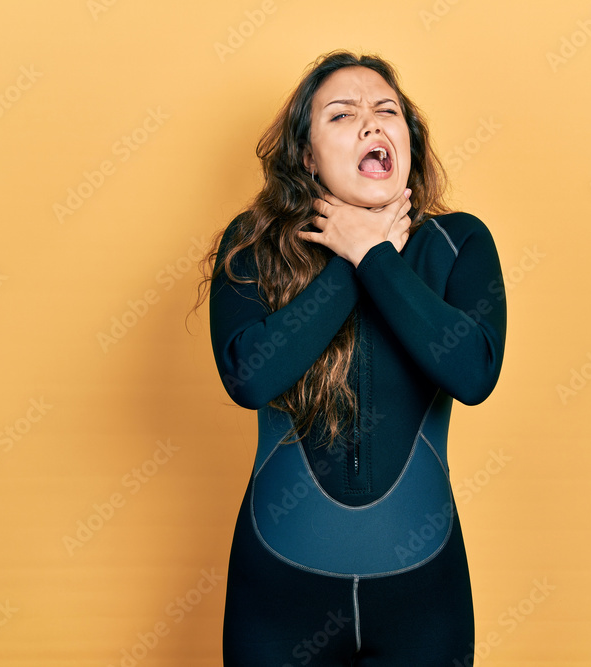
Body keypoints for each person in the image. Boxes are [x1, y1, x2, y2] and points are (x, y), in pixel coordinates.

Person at [193, 50, 507, 666]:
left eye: (386, 111)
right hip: (278, 597)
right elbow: (251, 377)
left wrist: (379, 259)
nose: (371, 124)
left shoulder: (459, 243)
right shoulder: (252, 246)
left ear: (407, 143)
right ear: (307, 157)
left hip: (423, 597)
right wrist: (352, 259)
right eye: (342, 115)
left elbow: (472, 373)